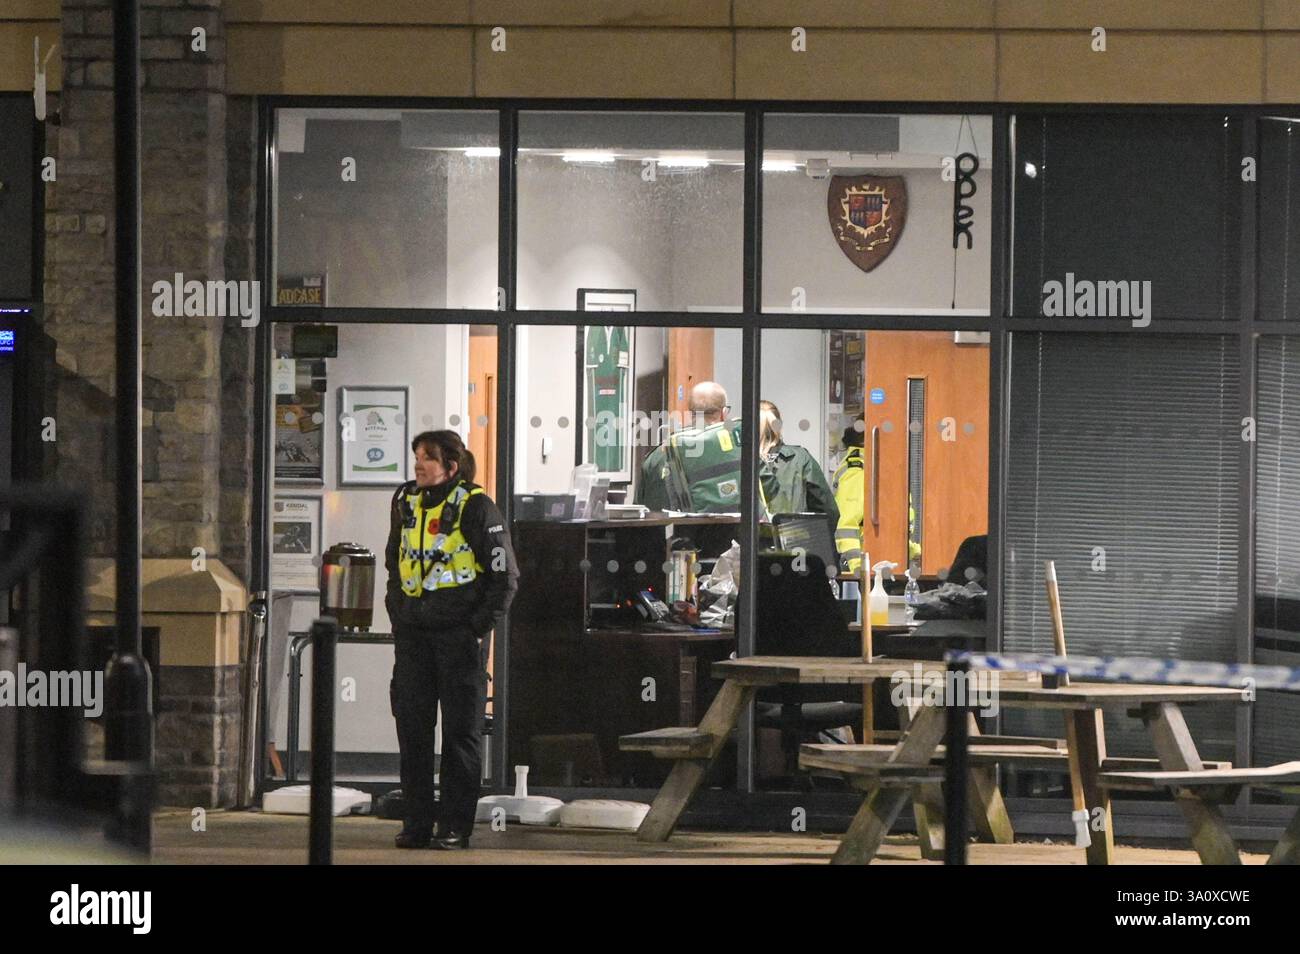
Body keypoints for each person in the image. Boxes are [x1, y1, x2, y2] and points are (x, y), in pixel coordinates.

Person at [384, 430, 518, 850]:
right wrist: (399, 614)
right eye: (417, 457)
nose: (418, 464)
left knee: (461, 735)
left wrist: (474, 629)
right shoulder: (404, 501)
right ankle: (416, 823)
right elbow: (395, 561)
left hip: (458, 641)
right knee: (413, 731)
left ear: (451, 467)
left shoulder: (477, 506)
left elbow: (505, 578)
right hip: (414, 639)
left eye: (427, 458)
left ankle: (454, 826)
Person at [636, 381, 742, 513]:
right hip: (730, 532)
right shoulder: (738, 447)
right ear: (723, 413)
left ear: (691, 413)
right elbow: (768, 489)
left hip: (672, 531)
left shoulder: (656, 456)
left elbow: (641, 509)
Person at [756, 400, 839, 531]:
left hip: (748, 545)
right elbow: (828, 510)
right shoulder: (801, 458)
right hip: (793, 543)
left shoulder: (738, 460)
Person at [831, 416, 866, 575]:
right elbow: (847, 524)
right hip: (864, 567)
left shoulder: (880, 465)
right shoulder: (857, 469)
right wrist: (857, 569)